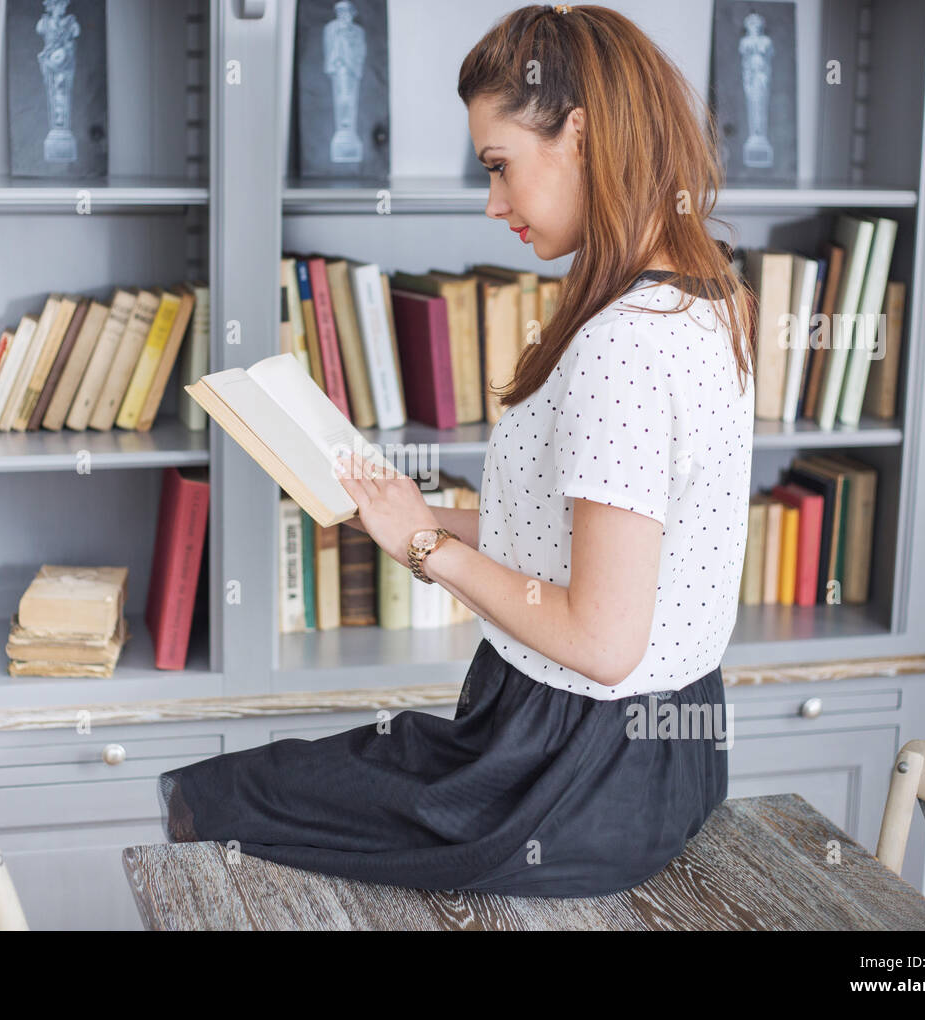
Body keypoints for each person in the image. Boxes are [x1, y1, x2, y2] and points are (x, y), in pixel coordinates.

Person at [157, 3, 756, 898]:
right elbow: (599, 543)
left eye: (500, 165)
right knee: (279, 791)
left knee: (227, 797)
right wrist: (422, 514)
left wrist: (427, 551)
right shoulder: (708, 296)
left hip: (563, 776)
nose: (495, 203)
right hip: (667, 759)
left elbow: (600, 641)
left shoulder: (623, 342)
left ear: (582, 135)